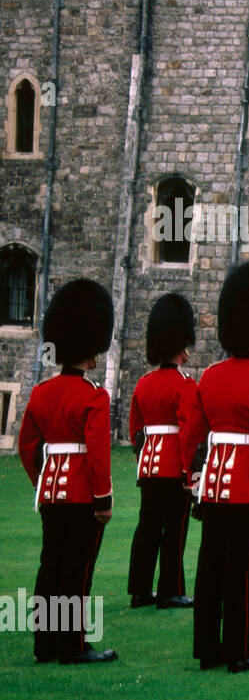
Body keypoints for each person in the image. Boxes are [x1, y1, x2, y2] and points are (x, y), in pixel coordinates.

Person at [182, 261, 249, 672]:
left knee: (210, 569)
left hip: (213, 488)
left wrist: (194, 484)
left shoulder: (208, 377)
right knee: (241, 574)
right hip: (246, 490)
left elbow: (192, 439)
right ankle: (241, 649)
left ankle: (208, 648)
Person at [19, 279, 118, 664]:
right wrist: (103, 499)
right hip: (81, 496)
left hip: (51, 495)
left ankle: (44, 645)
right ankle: (73, 646)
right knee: (76, 573)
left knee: (50, 568)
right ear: (90, 353)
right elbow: (97, 456)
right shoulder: (93, 396)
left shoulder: (41, 392)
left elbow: (28, 446)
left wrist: (42, 482)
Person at [126, 293, 198, 610]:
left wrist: (144, 458)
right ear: (181, 347)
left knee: (147, 529)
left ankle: (140, 590)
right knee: (174, 531)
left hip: (149, 467)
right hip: (173, 467)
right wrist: (190, 474)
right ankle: (171, 590)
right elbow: (189, 435)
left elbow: (135, 432)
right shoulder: (185, 384)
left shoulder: (143, 383)